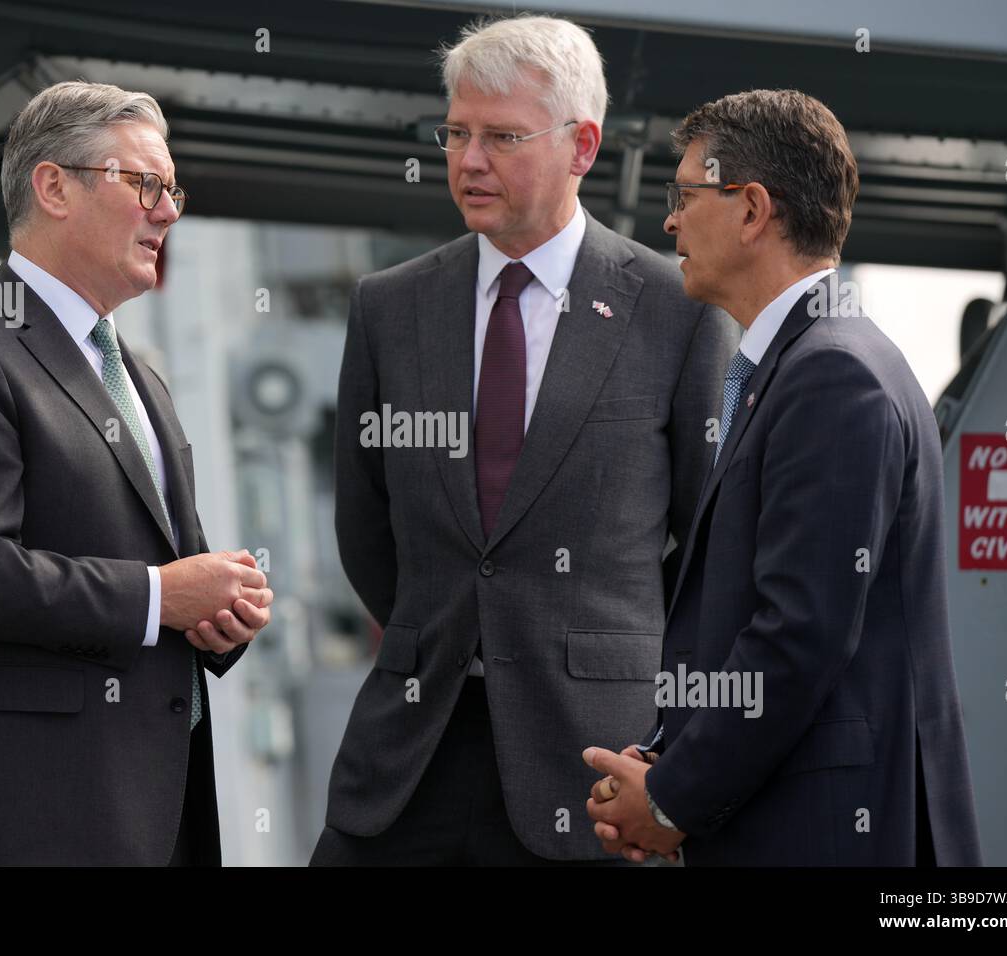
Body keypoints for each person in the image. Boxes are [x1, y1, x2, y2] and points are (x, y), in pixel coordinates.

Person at [312, 15, 734, 865]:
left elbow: (709, 552)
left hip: (592, 773)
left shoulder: (678, 310)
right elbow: (366, 523)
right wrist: (449, 632)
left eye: (501, 137)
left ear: (583, 146)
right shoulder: (389, 308)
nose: (468, 160)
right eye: (456, 133)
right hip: (406, 765)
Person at [0, 80, 272, 865]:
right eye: (146, 184)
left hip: (155, 813)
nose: (169, 210)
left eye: (173, 189)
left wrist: (221, 613)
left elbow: (171, 576)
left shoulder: (140, 378)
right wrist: (161, 597)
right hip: (29, 822)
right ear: (53, 186)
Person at [585, 89, 983, 867]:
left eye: (686, 194)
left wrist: (671, 801)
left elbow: (798, 637)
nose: (670, 221)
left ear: (752, 208)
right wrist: (667, 760)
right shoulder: (816, 365)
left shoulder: (833, 376)